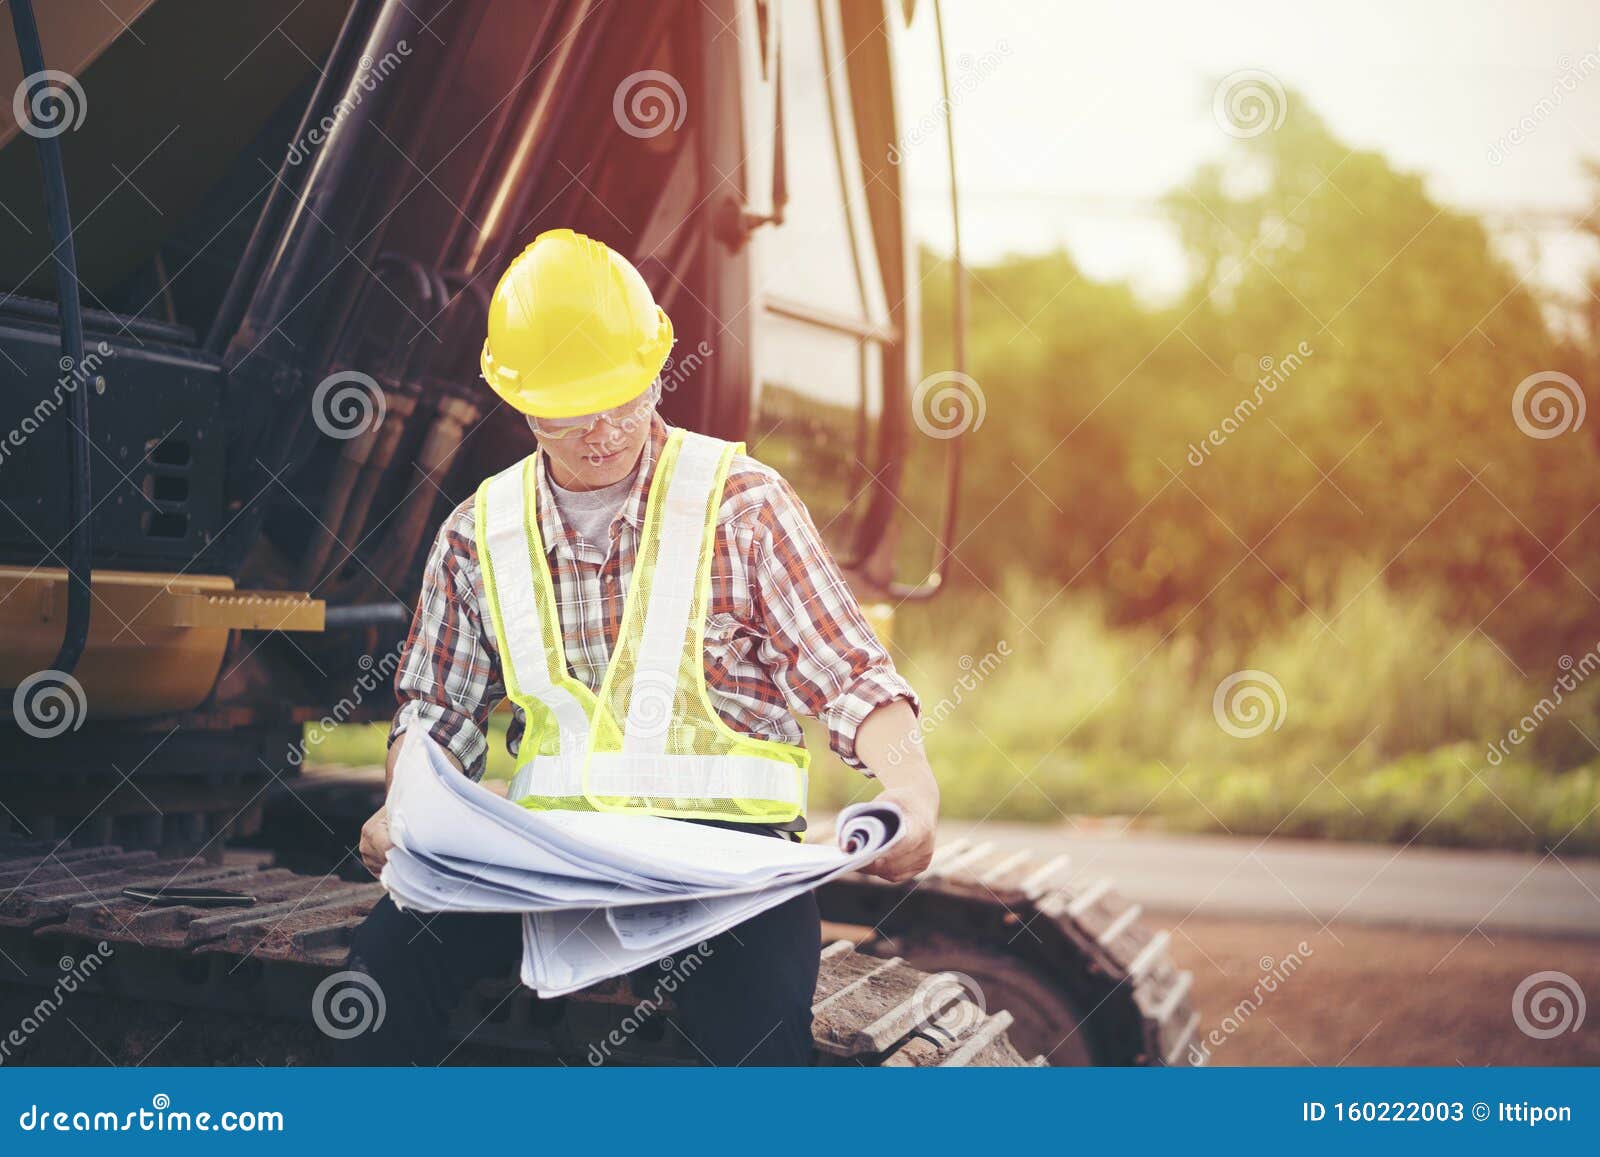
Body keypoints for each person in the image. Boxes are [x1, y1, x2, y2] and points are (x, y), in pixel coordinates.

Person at [342, 228, 939, 1067]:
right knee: (377, 981)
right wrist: (401, 803)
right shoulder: (479, 533)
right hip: (546, 867)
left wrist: (910, 785)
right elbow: (436, 711)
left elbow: (851, 675)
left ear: (658, 368)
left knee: (758, 1042)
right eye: (571, 410)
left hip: (728, 875)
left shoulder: (743, 505)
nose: (606, 430)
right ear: (519, 402)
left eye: (627, 396)